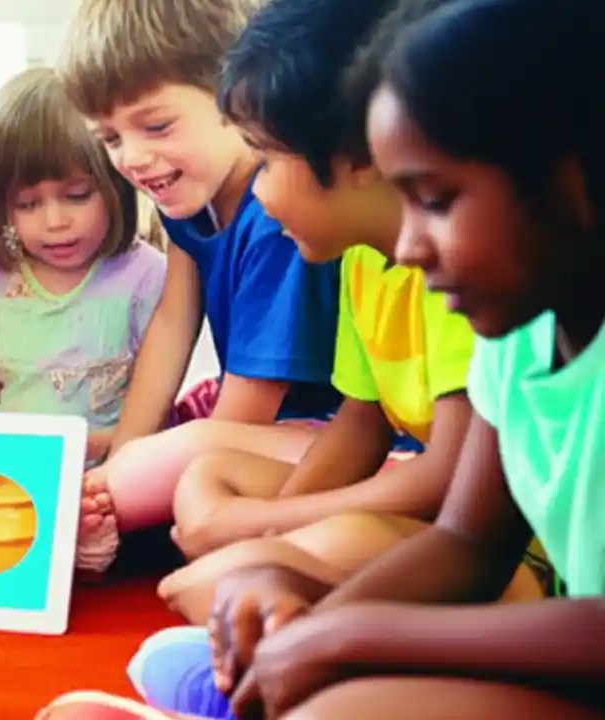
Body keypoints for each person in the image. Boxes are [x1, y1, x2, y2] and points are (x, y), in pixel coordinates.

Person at [165, 1, 605, 718]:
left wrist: (350, 635)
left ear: (568, 184)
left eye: (436, 201)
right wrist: (308, 621)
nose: (407, 246)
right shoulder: (514, 340)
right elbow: (467, 542)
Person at [55, 0, 343, 573]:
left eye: (156, 126)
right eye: (110, 138)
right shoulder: (188, 201)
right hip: (260, 430)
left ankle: (77, 530)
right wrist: (125, 451)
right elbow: (172, 323)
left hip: (325, 441)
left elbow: (242, 417)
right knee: (136, 448)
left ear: (236, 94)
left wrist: (119, 483)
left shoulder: (279, 215)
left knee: (179, 454)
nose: (134, 158)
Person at [0, 66, 165, 470]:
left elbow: (152, 420)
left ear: (115, 182)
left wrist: (79, 447)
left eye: (77, 195)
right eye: (27, 204)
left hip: (115, 474)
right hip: (9, 473)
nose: (55, 221)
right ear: (0, 204)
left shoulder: (147, 276)